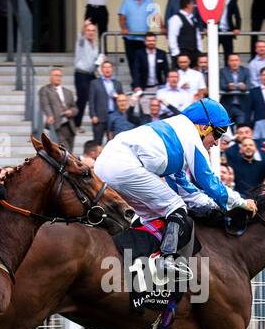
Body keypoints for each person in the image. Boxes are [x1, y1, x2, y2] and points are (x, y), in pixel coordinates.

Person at [95, 98, 255, 278]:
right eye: (218, 133)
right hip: (123, 165)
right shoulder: (191, 137)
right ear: (204, 127)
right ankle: (166, 259)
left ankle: (137, 260)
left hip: (106, 164)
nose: (217, 142)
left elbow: (184, 189)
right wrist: (240, 203)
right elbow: (208, 181)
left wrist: (213, 207)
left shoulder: (176, 134)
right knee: (175, 207)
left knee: (152, 215)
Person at [117, 0, 159, 88]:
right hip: (130, 38)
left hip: (143, 39)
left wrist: (162, 27)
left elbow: (156, 16)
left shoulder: (149, 1)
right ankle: (136, 83)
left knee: (144, 62)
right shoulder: (127, 1)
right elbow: (122, 17)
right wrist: (123, 28)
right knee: (132, 62)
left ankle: (143, 83)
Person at [38, 67, 78, 152]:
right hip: (57, 124)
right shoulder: (45, 90)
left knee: (70, 150)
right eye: (56, 75)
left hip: (69, 125)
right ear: (50, 77)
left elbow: (75, 108)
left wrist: (71, 112)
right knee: (65, 149)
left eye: (60, 76)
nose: (58, 77)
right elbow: (45, 104)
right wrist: (50, 115)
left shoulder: (68, 92)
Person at [73, 19, 102, 128]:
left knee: (96, 95)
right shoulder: (81, 42)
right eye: (88, 30)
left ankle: (97, 120)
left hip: (91, 74)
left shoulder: (95, 45)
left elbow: (95, 63)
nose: (90, 32)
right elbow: (80, 35)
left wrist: (100, 60)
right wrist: (83, 25)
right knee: (82, 98)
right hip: (81, 74)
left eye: (93, 30)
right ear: (85, 31)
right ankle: (76, 124)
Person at [88, 61, 124, 145]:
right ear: (101, 69)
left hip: (114, 116)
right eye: (105, 67)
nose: (107, 69)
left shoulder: (117, 84)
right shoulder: (94, 83)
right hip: (99, 117)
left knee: (113, 142)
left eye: (109, 67)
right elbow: (91, 100)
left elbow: (122, 99)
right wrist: (93, 115)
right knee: (97, 142)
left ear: (112, 69)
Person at [219, 52, 252, 127]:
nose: (234, 62)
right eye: (232, 60)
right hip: (227, 105)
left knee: (241, 127)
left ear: (239, 61)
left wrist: (244, 87)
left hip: (241, 105)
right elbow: (222, 85)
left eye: (236, 60)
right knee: (227, 128)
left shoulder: (245, 71)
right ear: (228, 62)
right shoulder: (223, 71)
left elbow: (249, 86)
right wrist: (228, 87)